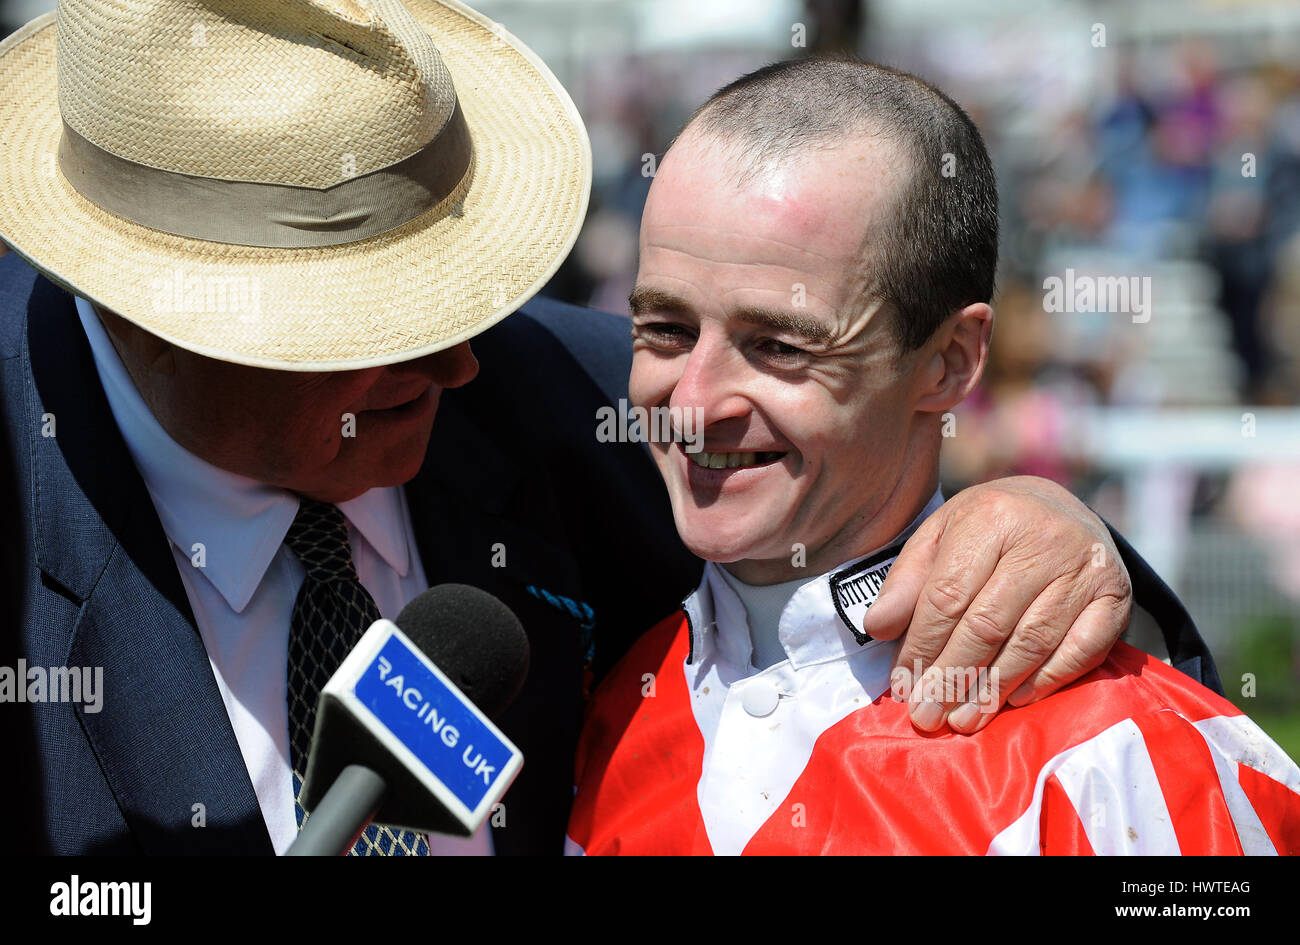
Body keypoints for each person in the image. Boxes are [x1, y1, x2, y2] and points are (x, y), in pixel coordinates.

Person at [0, 1, 1216, 856]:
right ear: (149, 306)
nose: (460, 354)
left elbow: (866, 509)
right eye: (367, 317)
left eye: (458, 285)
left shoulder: (585, 403)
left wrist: (1036, 528)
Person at [565, 58, 1300, 855]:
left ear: (951, 359)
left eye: (777, 345)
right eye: (666, 330)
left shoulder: (1121, 755)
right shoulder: (592, 698)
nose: (696, 404)